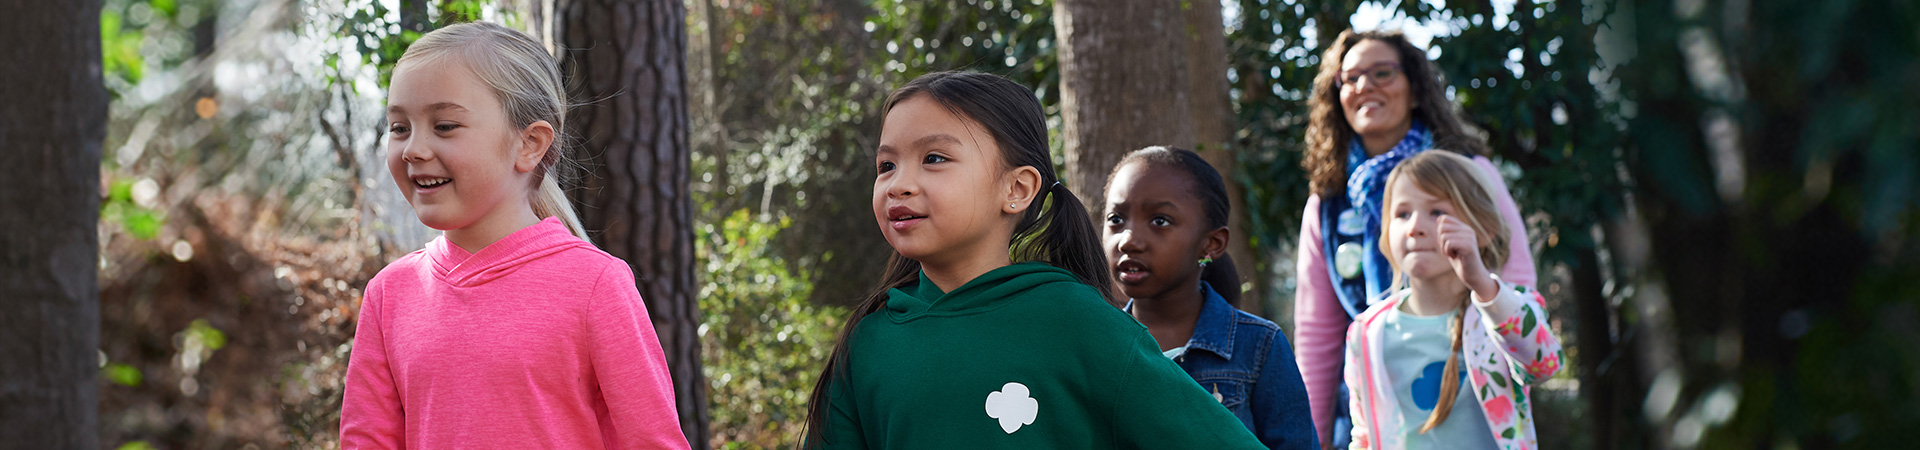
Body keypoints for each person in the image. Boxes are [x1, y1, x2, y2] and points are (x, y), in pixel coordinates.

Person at [801, 71, 1265, 449]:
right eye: (887, 165)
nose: (899, 183)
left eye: (935, 158)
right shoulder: (870, 340)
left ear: (1017, 189)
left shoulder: (1079, 324)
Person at [339, 22, 689, 449]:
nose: (413, 148)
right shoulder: (388, 295)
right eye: (399, 127)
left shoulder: (594, 286)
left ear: (530, 144)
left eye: (445, 125)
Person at [1292, 30, 1537, 449]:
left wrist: (1509, 402)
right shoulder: (1327, 203)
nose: (1364, 86)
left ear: (1415, 88)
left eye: (1382, 73)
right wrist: (1311, 440)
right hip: (1374, 404)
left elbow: (1516, 284)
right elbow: (1318, 332)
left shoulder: (1470, 174)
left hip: (1473, 391)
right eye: (1348, 79)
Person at [1342, 151, 1563, 450]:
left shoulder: (1504, 307)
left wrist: (1483, 286)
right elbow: (1364, 436)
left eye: (1436, 212)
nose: (1415, 226)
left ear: (1483, 230)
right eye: (1402, 214)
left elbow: (1544, 364)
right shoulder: (1366, 332)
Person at [1102, 146, 1320, 450]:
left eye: (1160, 221)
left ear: (1211, 243)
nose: (1129, 240)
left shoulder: (1259, 347)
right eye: (1116, 219)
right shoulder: (1099, 348)